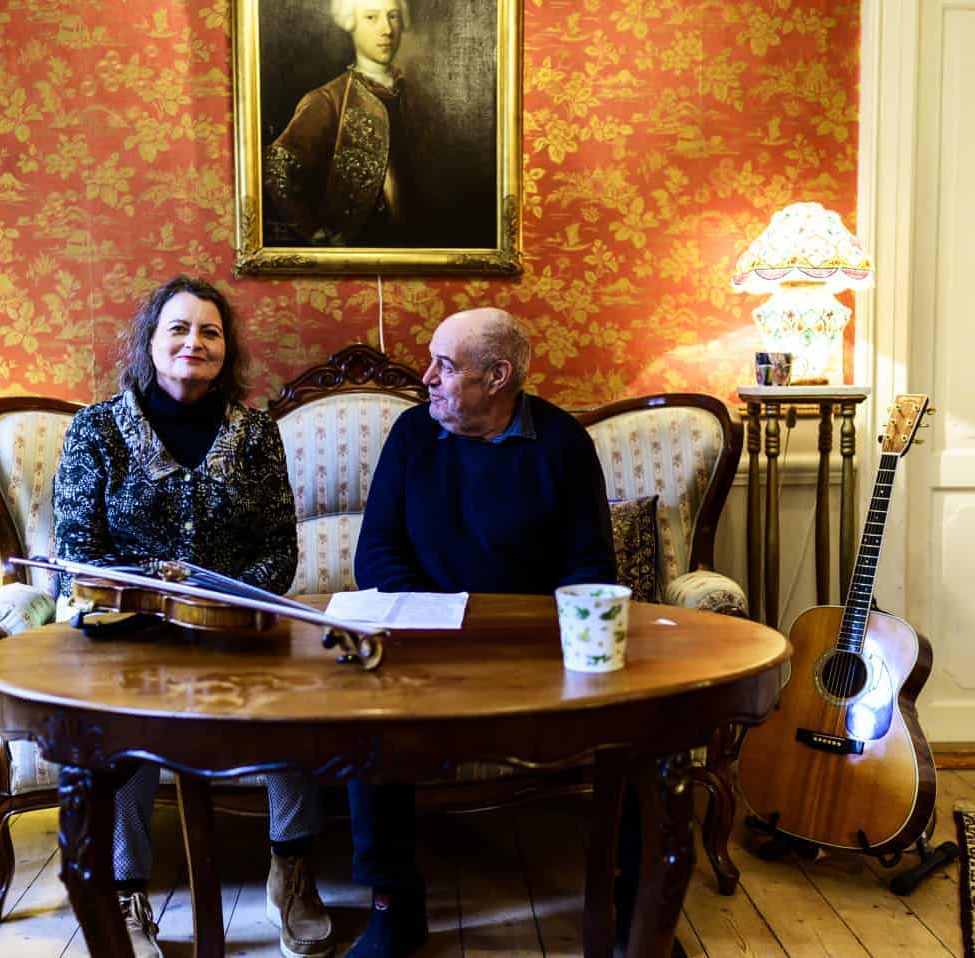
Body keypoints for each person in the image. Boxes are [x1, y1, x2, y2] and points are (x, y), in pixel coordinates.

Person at [52, 276, 332, 958]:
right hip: (128, 629)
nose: (193, 343)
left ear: (226, 350)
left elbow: (278, 547)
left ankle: (291, 875)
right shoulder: (95, 429)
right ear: (149, 343)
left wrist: (224, 607)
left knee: (298, 708)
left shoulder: (257, 431)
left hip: (233, 626)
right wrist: (154, 602)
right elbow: (76, 550)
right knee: (126, 725)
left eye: (210, 331)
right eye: (177, 328)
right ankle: (125, 895)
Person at [347, 307, 617, 957]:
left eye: (445, 364)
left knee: (637, 720)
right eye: (432, 360)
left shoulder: (561, 443)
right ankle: (392, 905)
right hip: (422, 646)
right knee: (364, 719)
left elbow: (590, 567)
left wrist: (518, 633)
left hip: (531, 655)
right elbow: (375, 554)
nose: (427, 377)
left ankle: (627, 900)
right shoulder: (412, 434)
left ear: (498, 377)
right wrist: (442, 619)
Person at [264, 0, 421, 246]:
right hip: (358, 253)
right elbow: (274, 168)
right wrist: (312, 230)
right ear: (351, 23)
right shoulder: (328, 100)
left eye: (393, 16)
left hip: (419, 251)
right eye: (371, 17)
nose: (387, 29)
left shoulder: (417, 97)